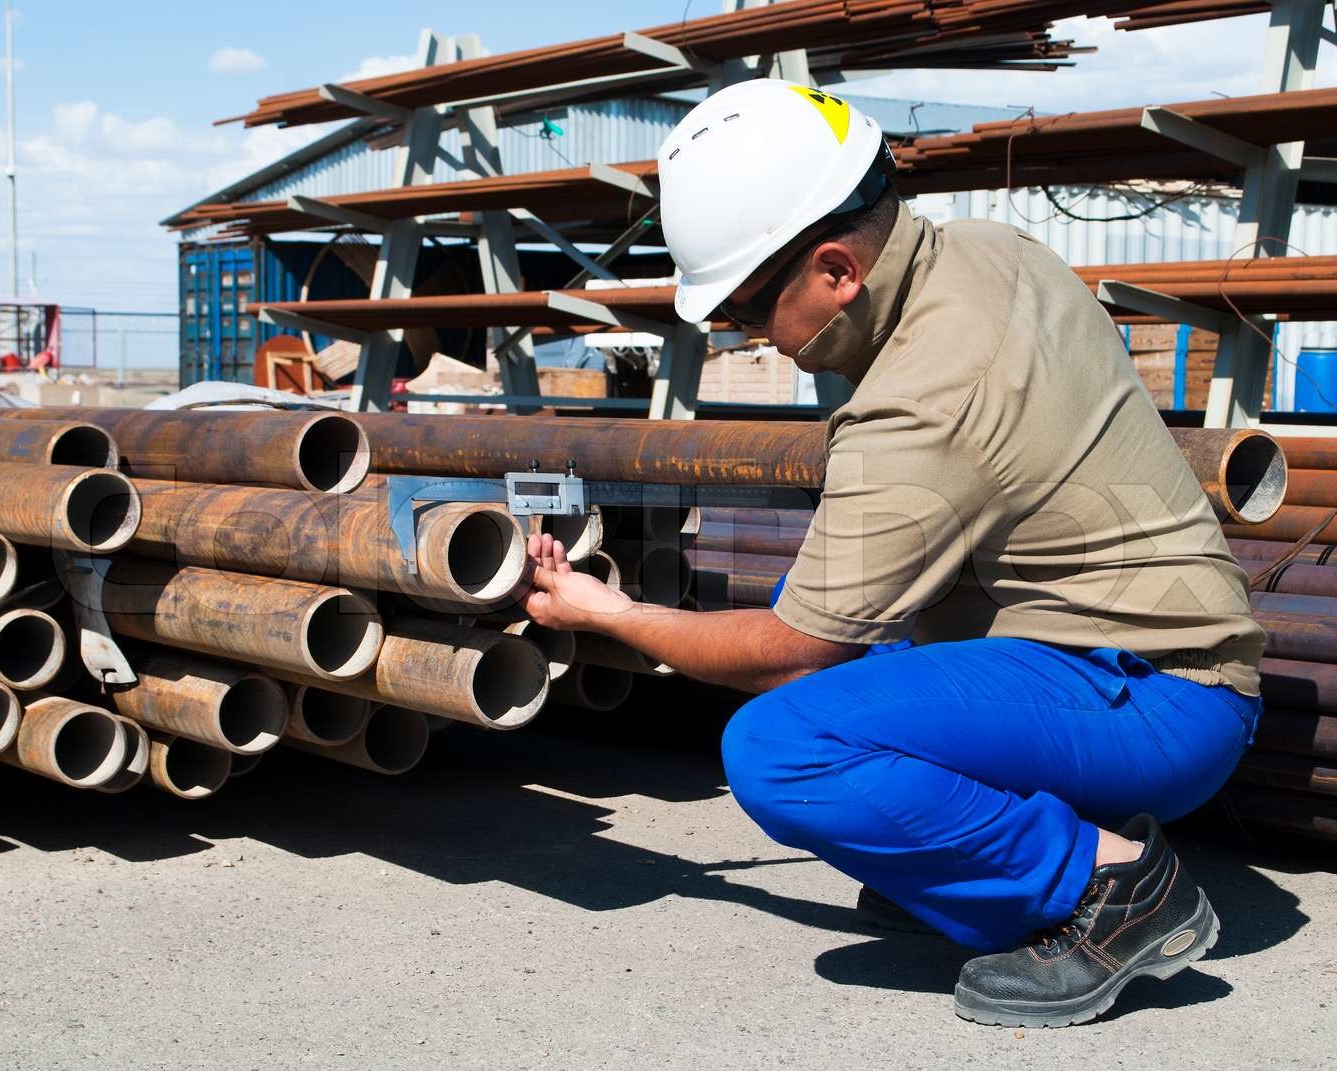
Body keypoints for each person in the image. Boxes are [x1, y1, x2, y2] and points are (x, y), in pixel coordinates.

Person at [519, 79, 1265, 1029]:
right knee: (834, 611)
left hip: (1156, 699)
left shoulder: (917, 401)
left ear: (835, 270)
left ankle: (1115, 886)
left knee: (783, 744)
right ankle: (975, 864)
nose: (745, 335)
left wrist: (612, 613)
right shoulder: (989, 254)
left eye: (747, 308)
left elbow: (799, 650)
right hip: (1141, 666)